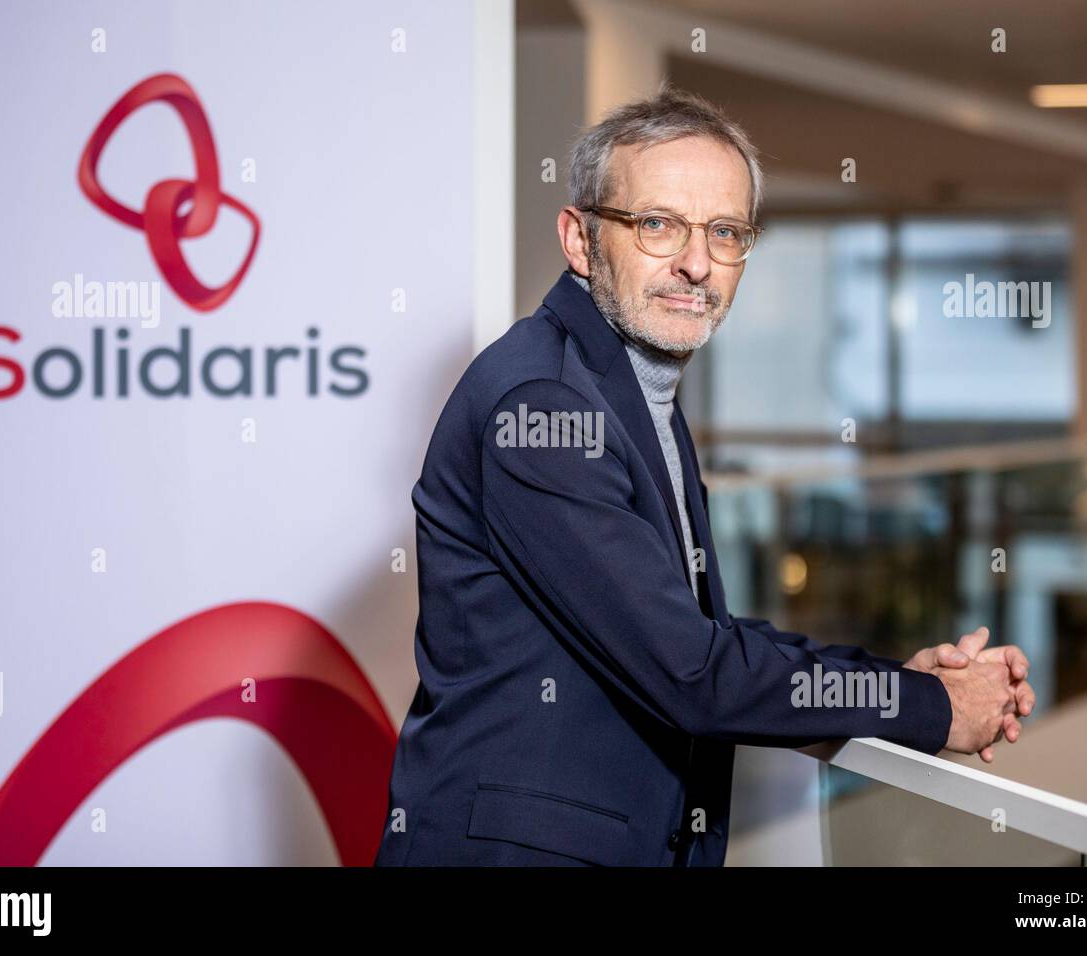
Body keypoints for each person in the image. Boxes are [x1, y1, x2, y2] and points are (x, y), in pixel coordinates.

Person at [374, 86, 1034, 867]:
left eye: (725, 232)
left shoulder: (632, 389)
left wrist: (886, 680)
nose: (696, 262)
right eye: (658, 224)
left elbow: (702, 637)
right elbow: (692, 671)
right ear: (580, 240)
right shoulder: (544, 406)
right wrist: (930, 707)